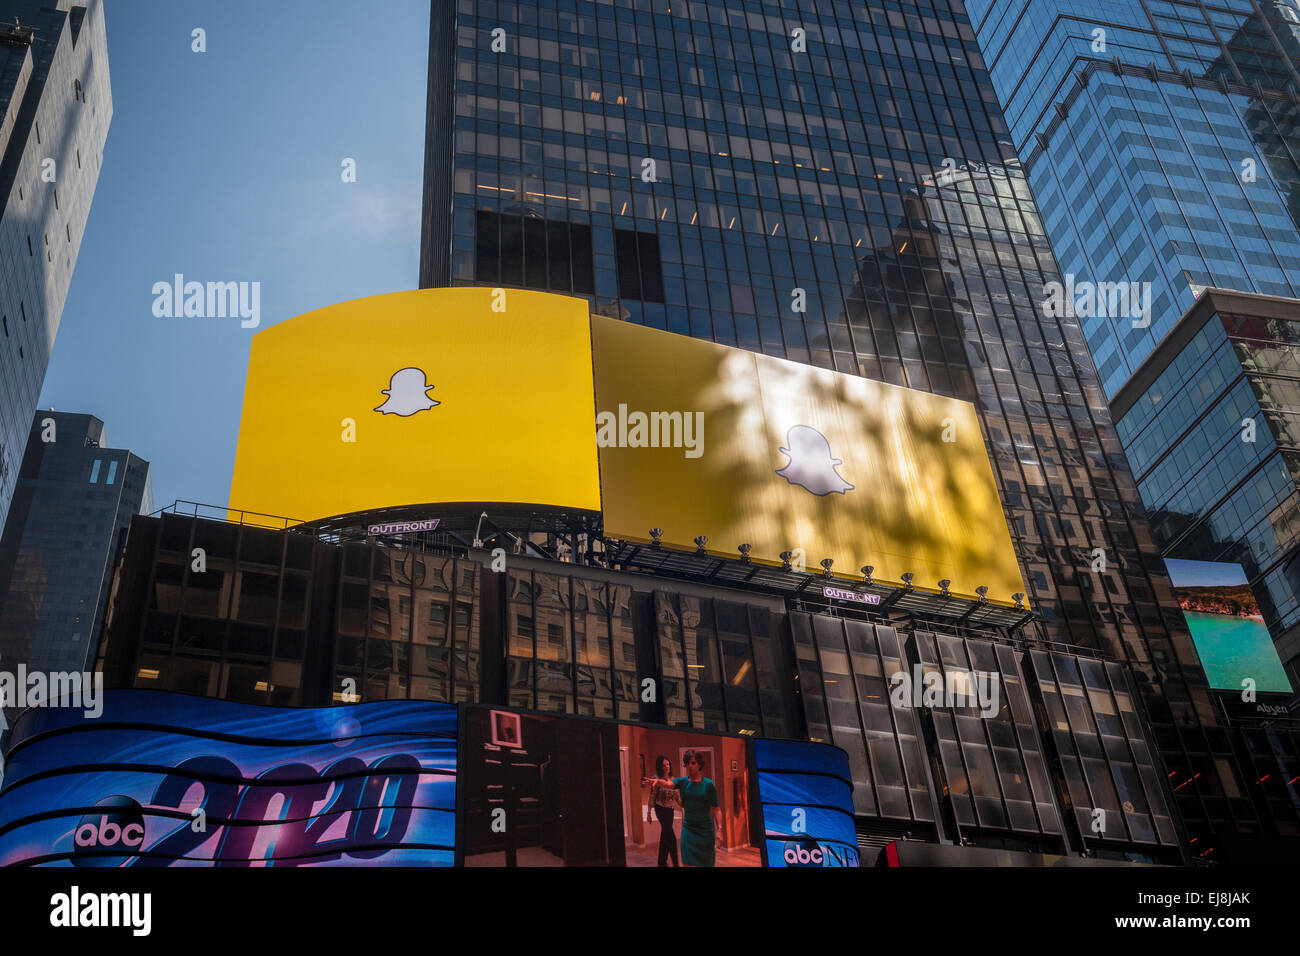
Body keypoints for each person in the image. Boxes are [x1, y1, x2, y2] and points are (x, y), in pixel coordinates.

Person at [643, 749, 722, 867]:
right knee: (686, 861)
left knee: (705, 863)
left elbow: (716, 808)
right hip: (689, 829)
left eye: (693, 763)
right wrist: (658, 781)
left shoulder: (709, 784)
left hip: (705, 831)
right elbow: (668, 784)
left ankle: (663, 861)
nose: (690, 766)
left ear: (699, 764)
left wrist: (720, 829)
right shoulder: (683, 781)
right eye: (688, 763)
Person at [645, 755, 680, 867]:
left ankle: (661, 862)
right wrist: (649, 813)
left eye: (667, 764)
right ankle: (676, 863)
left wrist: (685, 805)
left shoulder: (673, 780)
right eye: (663, 765)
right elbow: (652, 795)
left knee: (665, 834)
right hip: (660, 809)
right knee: (671, 835)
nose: (666, 767)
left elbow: (677, 797)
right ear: (660, 767)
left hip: (670, 810)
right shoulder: (656, 778)